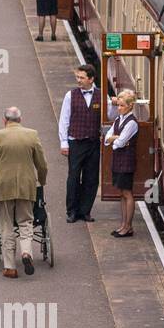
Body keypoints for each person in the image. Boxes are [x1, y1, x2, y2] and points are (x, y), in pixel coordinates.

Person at [0, 105, 48, 278]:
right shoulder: (32, 135)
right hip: (26, 185)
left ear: (4, 120)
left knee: (6, 225)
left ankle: (10, 267)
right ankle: (26, 252)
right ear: (20, 120)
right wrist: (41, 181)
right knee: (26, 222)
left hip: (3, 186)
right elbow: (42, 164)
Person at [59, 63, 102, 223]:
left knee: (91, 178)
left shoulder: (101, 96)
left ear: (91, 79)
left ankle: (85, 211)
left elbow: (108, 114)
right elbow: (64, 120)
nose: (78, 80)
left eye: (82, 78)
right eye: (77, 77)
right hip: (75, 142)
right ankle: (71, 211)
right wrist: (64, 142)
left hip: (93, 142)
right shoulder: (70, 96)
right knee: (74, 177)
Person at [103, 88, 139, 236]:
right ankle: (123, 224)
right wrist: (114, 139)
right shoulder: (119, 119)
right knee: (121, 193)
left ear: (130, 106)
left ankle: (128, 226)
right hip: (119, 159)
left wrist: (114, 139)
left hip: (126, 160)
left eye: (122, 105)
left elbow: (121, 142)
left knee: (127, 193)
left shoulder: (132, 123)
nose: (119, 108)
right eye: (118, 105)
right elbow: (107, 138)